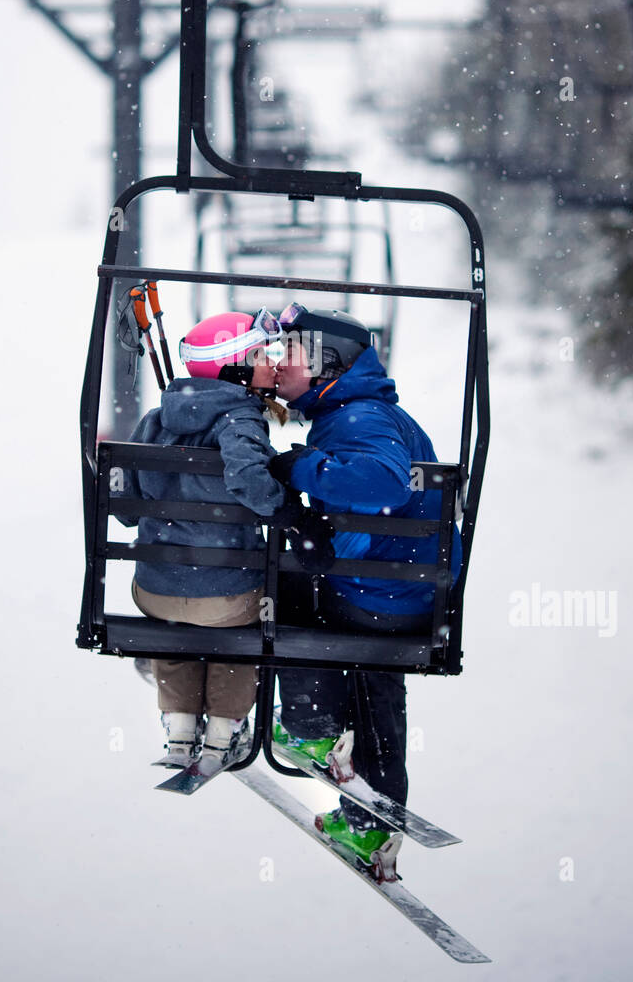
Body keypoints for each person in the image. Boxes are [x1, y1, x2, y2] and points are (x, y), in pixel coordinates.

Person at [267, 304, 462, 872]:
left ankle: (310, 726)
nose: (279, 364)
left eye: (292, 352)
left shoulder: (360, 420)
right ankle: (370, 823)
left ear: (328, 362)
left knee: (281, 580)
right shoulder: (356, 414)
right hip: (401, 594)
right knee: (377, 691)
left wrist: (302, 467)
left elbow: (383, 483)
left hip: (384, 595)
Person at [115, 310, 286, 770]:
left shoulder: (154, 420)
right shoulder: (240, 421)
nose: (273, 363)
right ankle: (222, 731)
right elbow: (250, 477)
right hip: (228, 600)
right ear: (235, 368)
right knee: (240, 625)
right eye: (260, 355)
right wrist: (279, 503)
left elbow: (126, 507)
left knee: (178, 626)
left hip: (155, 591)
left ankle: (181, 728)